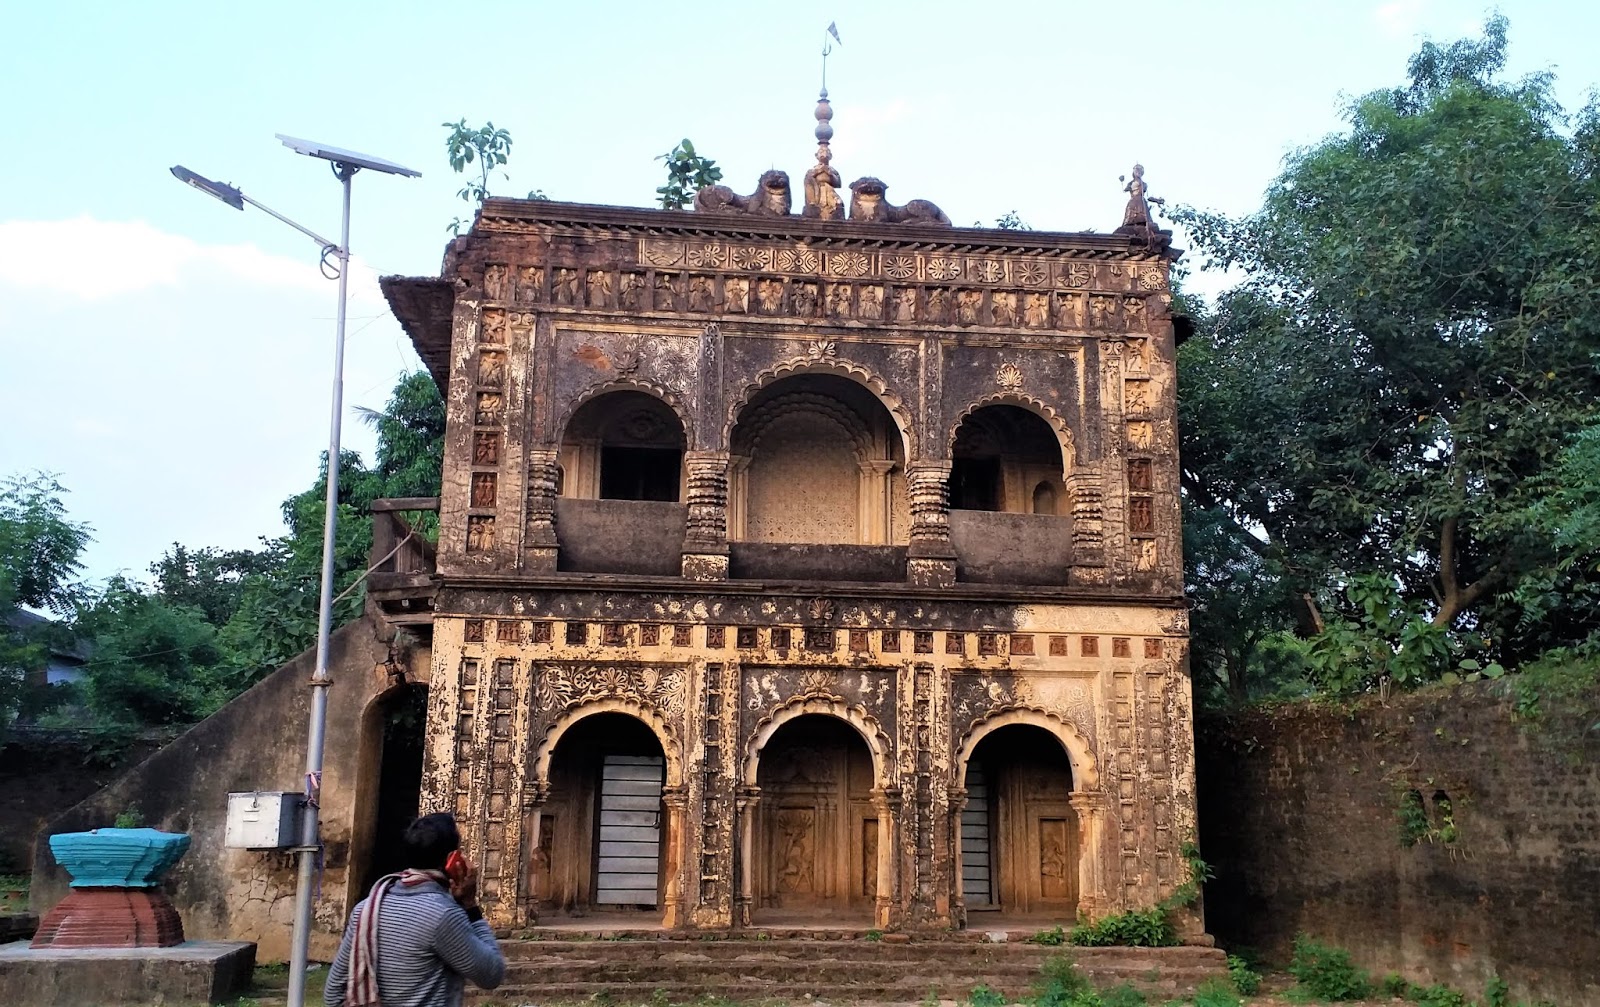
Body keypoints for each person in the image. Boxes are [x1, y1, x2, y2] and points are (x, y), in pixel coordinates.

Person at [326, 813, 505, 1007]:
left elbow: (333, 994)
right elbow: (491, 974)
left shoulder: (365, 909)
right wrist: (470, 906)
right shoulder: (442, 915)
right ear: (453, 860)